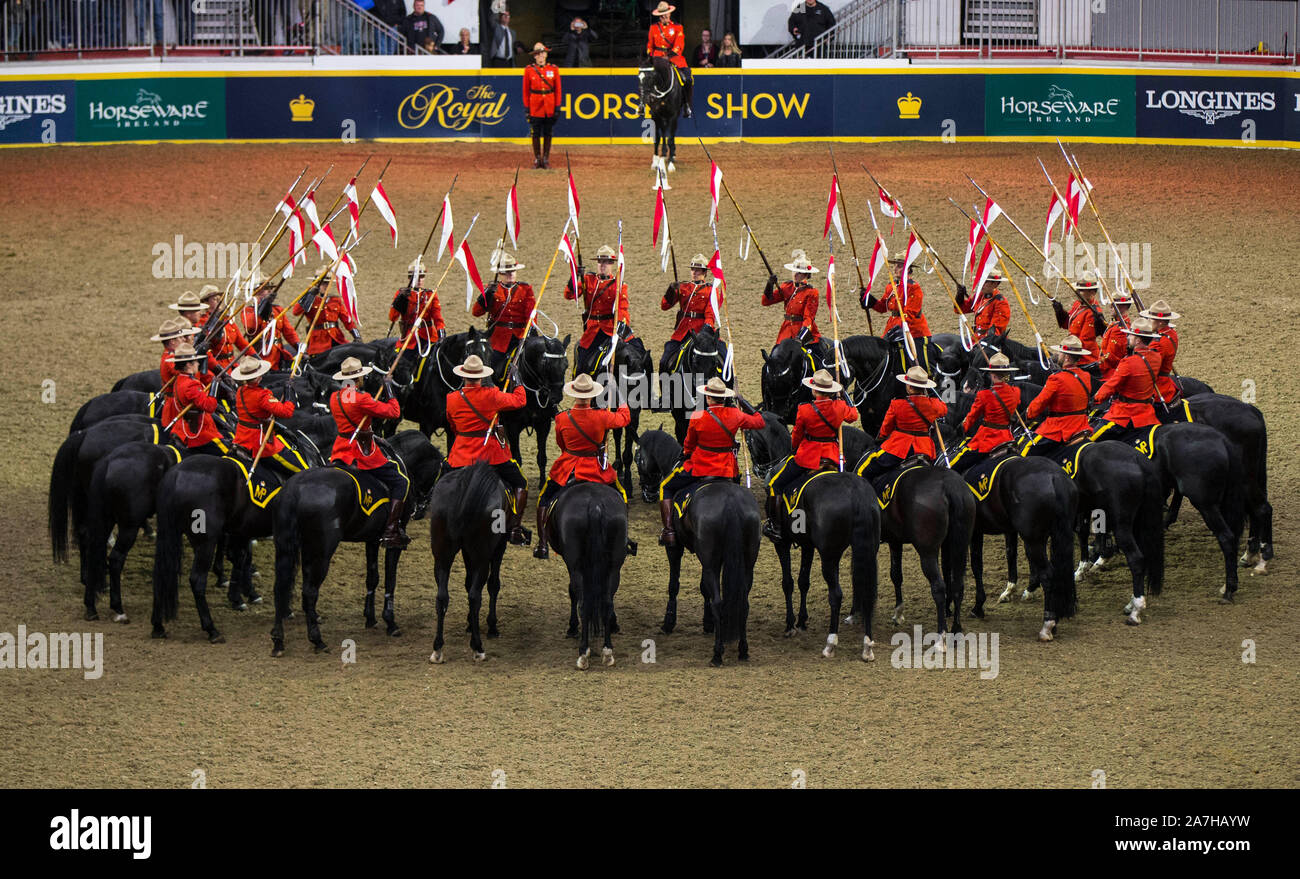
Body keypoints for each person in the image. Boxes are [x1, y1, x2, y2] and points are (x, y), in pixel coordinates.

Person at [657, 377, 765, 547]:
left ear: (708, 397)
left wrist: (688, 453)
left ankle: (669, 531)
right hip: (728, 470)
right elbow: (759, 421)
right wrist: (743, 402)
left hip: (700, 468)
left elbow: (688, 445)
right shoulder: (736, 414)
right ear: (724, 397)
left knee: (665, 487)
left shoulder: (698, 415)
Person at [534, 373, 631, 559]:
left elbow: (561, 444)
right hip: (596, 468)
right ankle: (623, 538)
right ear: (592, 395)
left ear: (574, 394)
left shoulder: (562, 418)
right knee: (621, 495)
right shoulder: (602, 416)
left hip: (568, 467)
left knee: (544, 498)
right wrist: (619, 394)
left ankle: (543, 543)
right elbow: (625, 418)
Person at [762, 369, 858, 539]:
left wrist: (795, 448)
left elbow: (797, 436)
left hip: (808, 457)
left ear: (814, 390)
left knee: (775, 484)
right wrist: (843, 396)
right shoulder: (840, 406)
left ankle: (775, 526)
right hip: (832, 456)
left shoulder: (805, 409)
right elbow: (854, 416)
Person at [445, 354, 530, 545]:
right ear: (481, 377)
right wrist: (516, 379)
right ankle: (515, 527)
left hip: (460, 455)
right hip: (491, 454)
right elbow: (520, 400)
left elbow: (453, 426)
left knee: (442, 480)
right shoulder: (492, 395)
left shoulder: (451, 398)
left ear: (463, 376)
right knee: (520, 482)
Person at [328, 357, 411, 549]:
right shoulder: (362, 399)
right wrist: (389, 389)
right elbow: (394, 412)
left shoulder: (335, 397)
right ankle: (391, 530)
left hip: (341, 448)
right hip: (361, 451)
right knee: (401, 481)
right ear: (358, 379)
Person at [856, 366, 947, 483]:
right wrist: (928, 397)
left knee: (865, 470)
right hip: (925, 450)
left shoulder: (897, 404)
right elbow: (944, 409)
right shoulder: (934, 405)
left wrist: (881, 438)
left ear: (908, 386)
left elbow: (886, 427)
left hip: (898, 448)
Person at [1091, 319, 1163, 445]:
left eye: (1130, 335)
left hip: (1124, 414)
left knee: (1089, 442)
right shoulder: (1157, 357)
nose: (1128, 337)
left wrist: (1095, 398)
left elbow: (1111, 385)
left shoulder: (1128, 362)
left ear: (1138, 340)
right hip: (1147, 414)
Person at [1024, 335, 1094, 459]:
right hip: (1082, 425)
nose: (1058, 356)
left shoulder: (1056, 379)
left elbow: (1040, 403)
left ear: (1066, 357)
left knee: (1026, 452)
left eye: (1060, 353)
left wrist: (1028, 414)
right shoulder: (1086, 376)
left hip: (1059, 429)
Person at [566, 244, 631, 378]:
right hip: (592, 332)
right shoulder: (588, 280)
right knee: (582, 359)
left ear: (612, 264)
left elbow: (622, 308)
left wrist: (620, 326)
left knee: (635, 354)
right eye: (600, 261)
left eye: (606, 262)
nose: (602, 265)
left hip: (610, 330)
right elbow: (569, 294)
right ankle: (579, 388)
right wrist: (574, 277)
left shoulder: (619, 285)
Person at [863, 251, 932, 375]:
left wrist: (896, 329)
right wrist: (870, 301)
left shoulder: (914, 287)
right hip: (893, 326)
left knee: (920, 363)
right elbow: (883, 307)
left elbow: (910, 314)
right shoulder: (891, 286)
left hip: (913, 331)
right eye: (895, 265)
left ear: (908, 269)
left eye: (899, 266)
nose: (895, 268)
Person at [230, 356, 300, 477]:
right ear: (258, 376)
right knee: (302, 469)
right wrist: (289, 394)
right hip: (259, 442)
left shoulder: (240, 390)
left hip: (242, 437)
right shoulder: (262, 395)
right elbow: (286, 412)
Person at [473, 251, 536, 376]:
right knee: (492, 366)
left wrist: (531, 331)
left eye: (512, 271)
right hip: (499, 337)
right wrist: (485, 295)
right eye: (506, 272)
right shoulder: (492, 289)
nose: (510, 274)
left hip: (521, 335)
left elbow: (531, 314)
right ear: (499, 274)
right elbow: (476, 312)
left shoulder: (525, 289)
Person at [956, 352, 1020, 471]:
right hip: (1007, 437)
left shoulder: (984, 395)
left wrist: (962, 428)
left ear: (992, 375)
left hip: (988, 439)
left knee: (958, 465)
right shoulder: (1016, 391)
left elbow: (972, 416)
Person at [762, 249, 827, 363]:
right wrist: (769, 284)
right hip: (786, 332)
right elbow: (766, 301)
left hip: (804, 333)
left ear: (806, 274)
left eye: (799, 272)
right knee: (772, 360)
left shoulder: (812, 292)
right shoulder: (787, 287)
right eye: (794, 271)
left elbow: (808, 318)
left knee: (820, 360)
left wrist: (799, 339)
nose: (795, 274)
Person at [167, 343, 229, 457]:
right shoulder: (191, 385)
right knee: (231, 454)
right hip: (201, 433)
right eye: (195, 361)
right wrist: (214, 388)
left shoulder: (180, 379)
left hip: (186, 426)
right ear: (188, 365)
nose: (198, 363)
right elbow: (210, 406)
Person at [659, 253, 718, 374]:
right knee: (664, 361)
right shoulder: (683, 287)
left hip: (702, 332)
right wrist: (671, 291)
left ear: (705, 272)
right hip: (682, 331)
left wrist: (705, 331)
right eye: (693, 270)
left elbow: (710, 314)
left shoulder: (711, 290)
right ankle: (664, 391)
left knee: (723, 353)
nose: (695, 273)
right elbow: (664, 306)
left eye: (698, 270)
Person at [237, 272, 301, 371]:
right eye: (266, 289)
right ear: (256, 291)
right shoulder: (248, 311)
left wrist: (299, 347)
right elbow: (251, 327)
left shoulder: (277, 310)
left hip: (279, 355)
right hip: (261, 357)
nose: (270, 291)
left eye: (270, 289)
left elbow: (289, 333)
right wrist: (262, 308)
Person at [293, 270, 359, 356]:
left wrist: (356, 335)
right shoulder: (310, 300)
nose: (325, 286)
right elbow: (296, 312)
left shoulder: (335, 300)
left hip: (337, 339)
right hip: (318, 343)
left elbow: (347, 320)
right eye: (323, 283)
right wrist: (309, 295)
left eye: (327, 284)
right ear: (316, 284)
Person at [1140, 298, 1186, 418]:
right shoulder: (1171, 333)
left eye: (1150, 319)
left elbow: (1149, 366)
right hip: (1165, 381)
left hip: (1157, 386)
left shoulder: (1158, 342)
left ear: (1160, 322)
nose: (1148, 321)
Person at [1051, 270, 1104, 372]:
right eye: (1078, 290)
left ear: (1092, 292)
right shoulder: (1078, 304)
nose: (1078, 293)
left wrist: (1064, 354)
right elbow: (1068, 324)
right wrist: (1060, 312)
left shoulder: (1092, 313)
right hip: (1071, 350)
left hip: (1082, 358)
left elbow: (1084, 342)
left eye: (1082, 291)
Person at [646, 2, 693, 117]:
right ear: (660, 16)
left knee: (688, 78)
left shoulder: (677, 27)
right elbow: (649, 46)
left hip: (674, 57)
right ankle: (644, 104)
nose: (665, 17)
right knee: (645, 78)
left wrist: (669, 56)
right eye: (662, 15)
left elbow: (679, 45)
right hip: (657, 57)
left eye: (667, 14)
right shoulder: (653, 28)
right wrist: (652, 56)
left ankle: (687, 105)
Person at [522, 43, 561, 169]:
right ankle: (537, 158)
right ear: (534, 56)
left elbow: (558, 90)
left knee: (548, 133)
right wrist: (527, 108)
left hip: (549, 105)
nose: (540, 56)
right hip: (535, 105)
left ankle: (546, 159)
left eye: (542, 53)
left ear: (546, 54)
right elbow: (525, 91)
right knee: (536, 133)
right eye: (538, 54)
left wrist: (557, 106)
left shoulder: (553, 69)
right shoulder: (529, 70)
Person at [955, 269, 1011, 342]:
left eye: (985, 282)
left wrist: (982, 343)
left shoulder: (1000, 303)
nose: (981, 284)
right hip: (976, 338)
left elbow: (996, 331)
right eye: (980, 281)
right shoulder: (980, 296)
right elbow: (961, 310)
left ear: (995, 284)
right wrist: (959, 296)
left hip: (989, 342)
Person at [1098, 289, 1134, 378]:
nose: (1110, 307)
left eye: (1113, 305)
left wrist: (1096, 364)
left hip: (1109, 374)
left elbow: (1112, 357)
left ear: (1123, 307)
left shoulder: (1120, 329)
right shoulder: (1117, 324)